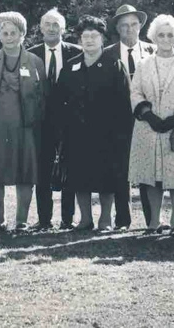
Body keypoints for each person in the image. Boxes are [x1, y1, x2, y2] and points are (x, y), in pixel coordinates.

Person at [57, 15, 132, 232]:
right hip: (77, 135)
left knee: (106, 178)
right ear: (80, 40)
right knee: (79, 177)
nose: (89, 40)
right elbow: (60, 101)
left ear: (102, 39)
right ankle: (85, 219)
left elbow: (124, 104)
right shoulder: (70, 67)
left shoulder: (114, 65)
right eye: (85, 36)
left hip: (108, 135)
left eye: (94, 36)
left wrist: (121, 136)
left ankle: (105, 219)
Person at [129, 14, 174, 236]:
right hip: (148, 127)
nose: (165, 38)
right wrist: (148, 115)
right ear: (153, 37)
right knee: (152, 176)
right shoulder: (143, 65)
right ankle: (154, 221)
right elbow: (135, 91)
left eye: (170, 34)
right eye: (161, 34)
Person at [0, 12, 46, 231]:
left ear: (22, 34)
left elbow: (43, 96)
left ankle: (22, 221)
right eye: (4, 33)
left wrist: (36, 122)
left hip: (25, 127)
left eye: (13, 33)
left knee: (25, 172)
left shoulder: (35, 62)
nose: (9, 37)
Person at [104, 4, 157, 230]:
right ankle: (123, 219)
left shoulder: (154, 51)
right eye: (124, 25)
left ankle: (151, 219)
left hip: (147, 118)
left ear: (141, 26)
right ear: (117, 28)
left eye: (134, 24)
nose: (130, 29)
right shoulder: (107, 54)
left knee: (148, 170)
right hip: (117, 120)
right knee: (120, 170)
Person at [28, 8, 82, 230]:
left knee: (70, 169)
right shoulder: (30, 55)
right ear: (40, 28)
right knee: (42, 171)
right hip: (40, 122)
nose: (51, 28)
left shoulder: (77, 53)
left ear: (64, 28)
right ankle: (44, 219)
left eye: (56, 24)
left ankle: (68, 219)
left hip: (71, 121)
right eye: (47, 24)